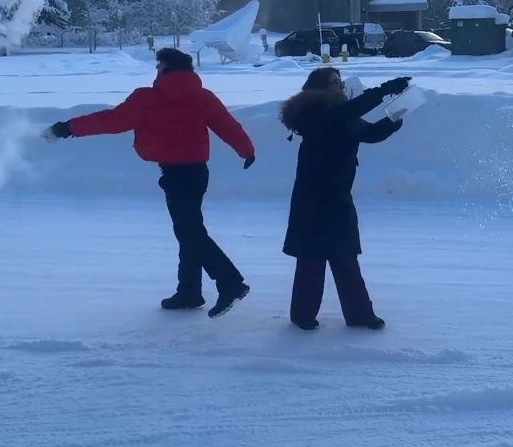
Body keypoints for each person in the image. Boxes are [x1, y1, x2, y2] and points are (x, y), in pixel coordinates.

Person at [43, 48, 256, 319]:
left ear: (166, 69)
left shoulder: (148, 98)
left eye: (158, 67)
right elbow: (227, 125)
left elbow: (111, 121)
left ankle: (230, 283)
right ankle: (189, 292)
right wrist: (246, 149)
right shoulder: (202, 97)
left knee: (190, 232)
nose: (156, 71)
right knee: (188, 229)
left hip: (176, 174)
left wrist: (67, 128)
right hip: (197, 172)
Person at [278, 67, 410, 331]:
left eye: (340, 82)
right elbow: (348, 112)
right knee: (311, 259)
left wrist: (393, 120)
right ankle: (303, 316)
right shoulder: (313, 114)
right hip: (313, 198)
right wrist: (384, 90)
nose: (340, 87)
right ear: (318, 88)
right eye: (333, 83)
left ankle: (359, 315)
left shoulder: (339, 113)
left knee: (345, 257)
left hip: (338, 196)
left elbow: (367, 133)